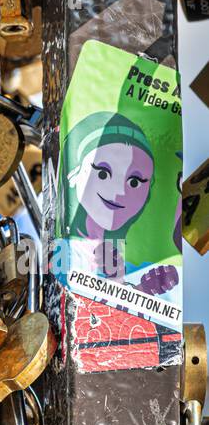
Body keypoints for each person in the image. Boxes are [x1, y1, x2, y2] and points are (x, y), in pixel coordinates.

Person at [58, 111, 178, 297]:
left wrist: (138, 290)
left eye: (135, 182)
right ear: (73, 173)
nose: (120, 191)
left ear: (148, 194)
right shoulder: (59, 251)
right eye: (103, 173)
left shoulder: (142, 268)